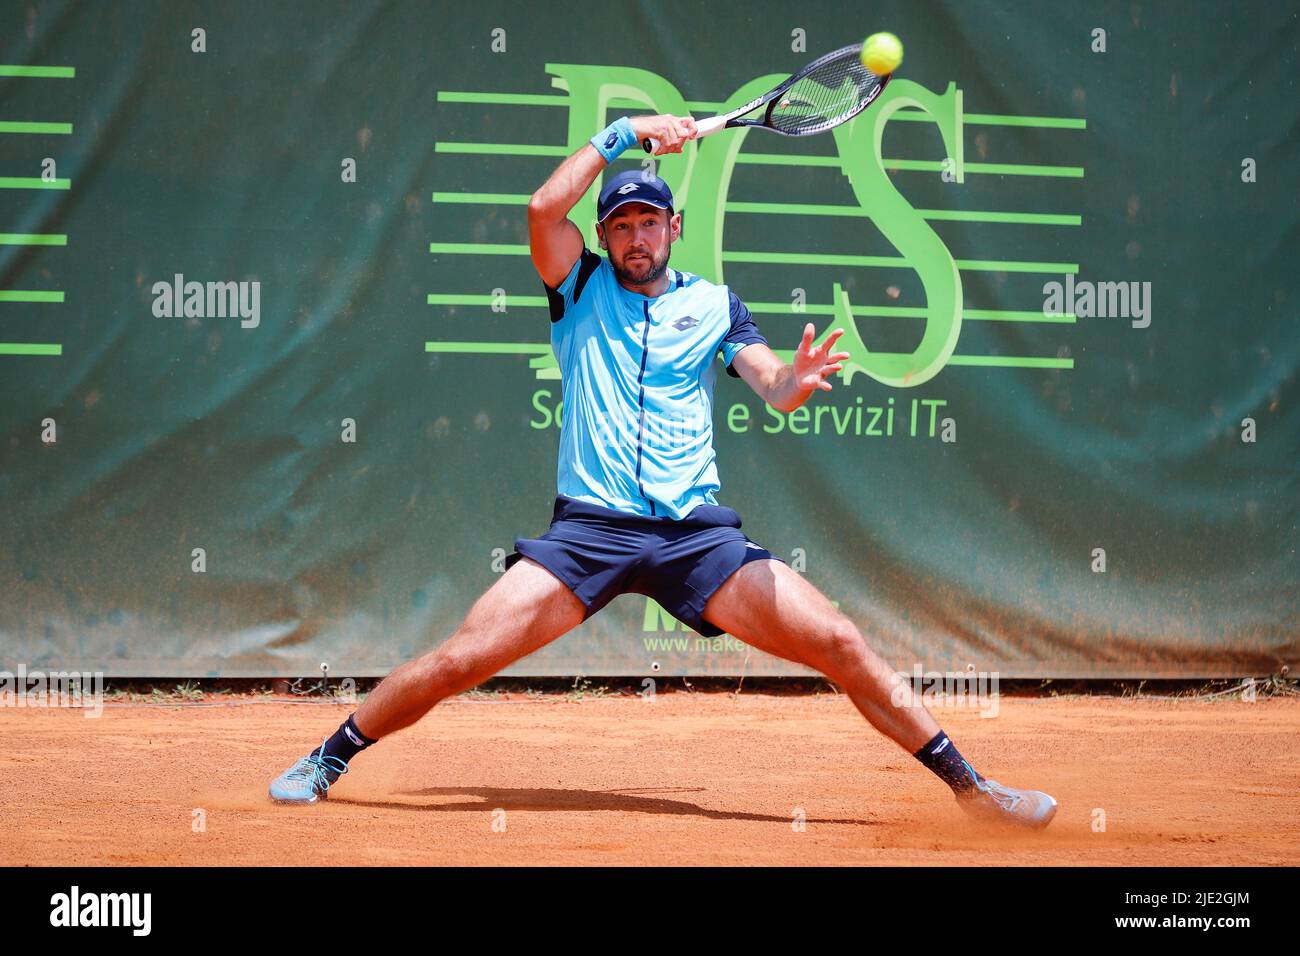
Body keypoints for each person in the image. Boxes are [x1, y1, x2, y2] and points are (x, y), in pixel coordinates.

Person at [268, 113, 1057, 829]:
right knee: (460, 658)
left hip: (693, 538)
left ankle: (975, 791)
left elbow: (773, 386)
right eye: (620, 225)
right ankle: (326, 758)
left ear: (674, 227)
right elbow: (545, 210)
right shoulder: (577, 288)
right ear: (605, 238)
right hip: (589, 532)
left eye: (649, 221)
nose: (635, 236)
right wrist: (620, 135)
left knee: (840, 641)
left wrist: (795, 381)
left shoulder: (717, 305)